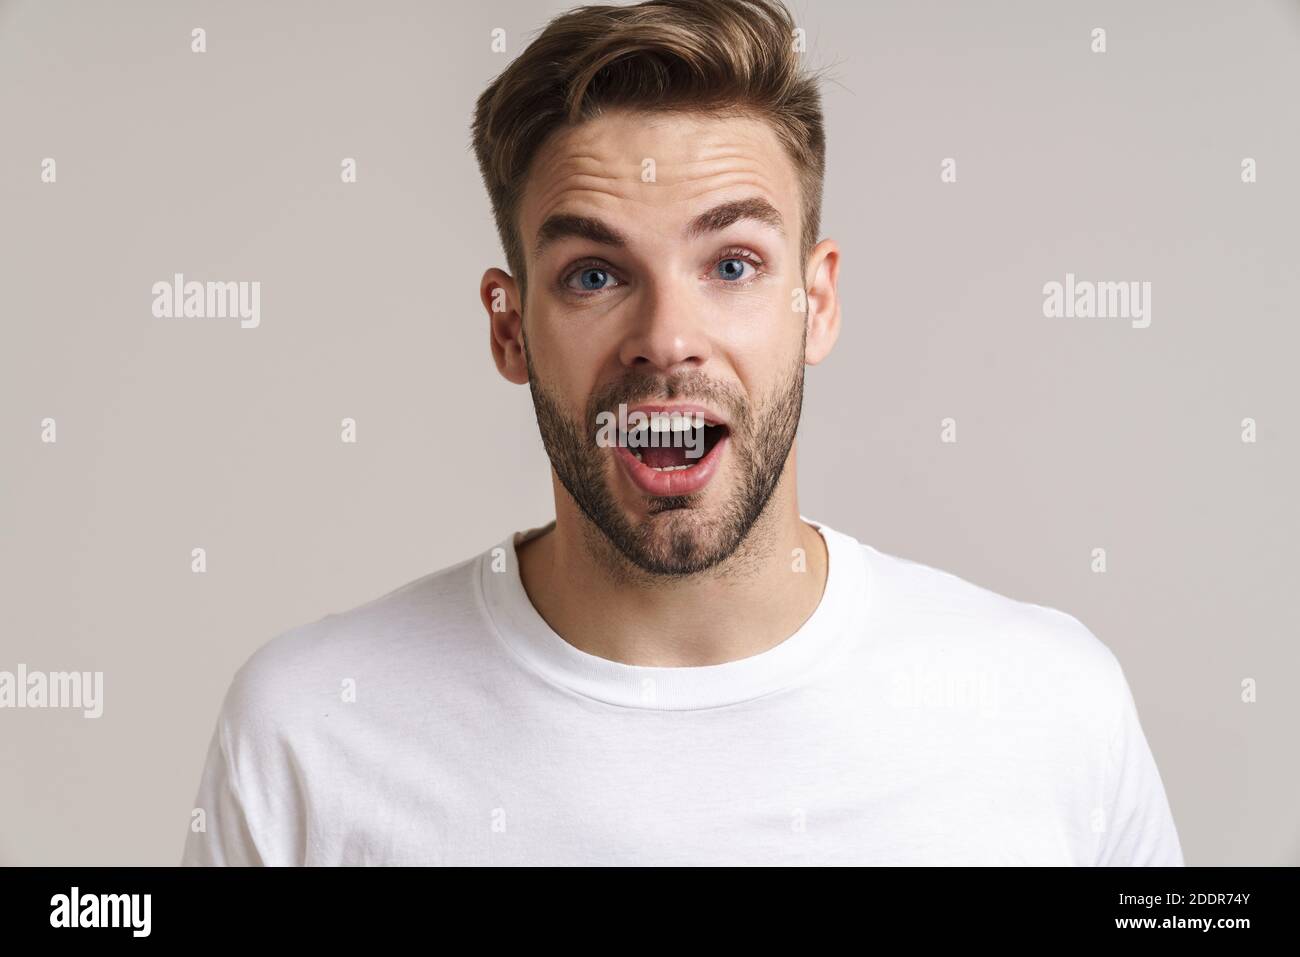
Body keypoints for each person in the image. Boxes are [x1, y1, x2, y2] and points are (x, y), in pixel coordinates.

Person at [182, 0, 1183, 866]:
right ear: (509, 328)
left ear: (817, 302)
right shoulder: (308, 732)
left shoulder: (1049, 707)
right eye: (593, 275)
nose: (666, 338)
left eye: (733, 265)